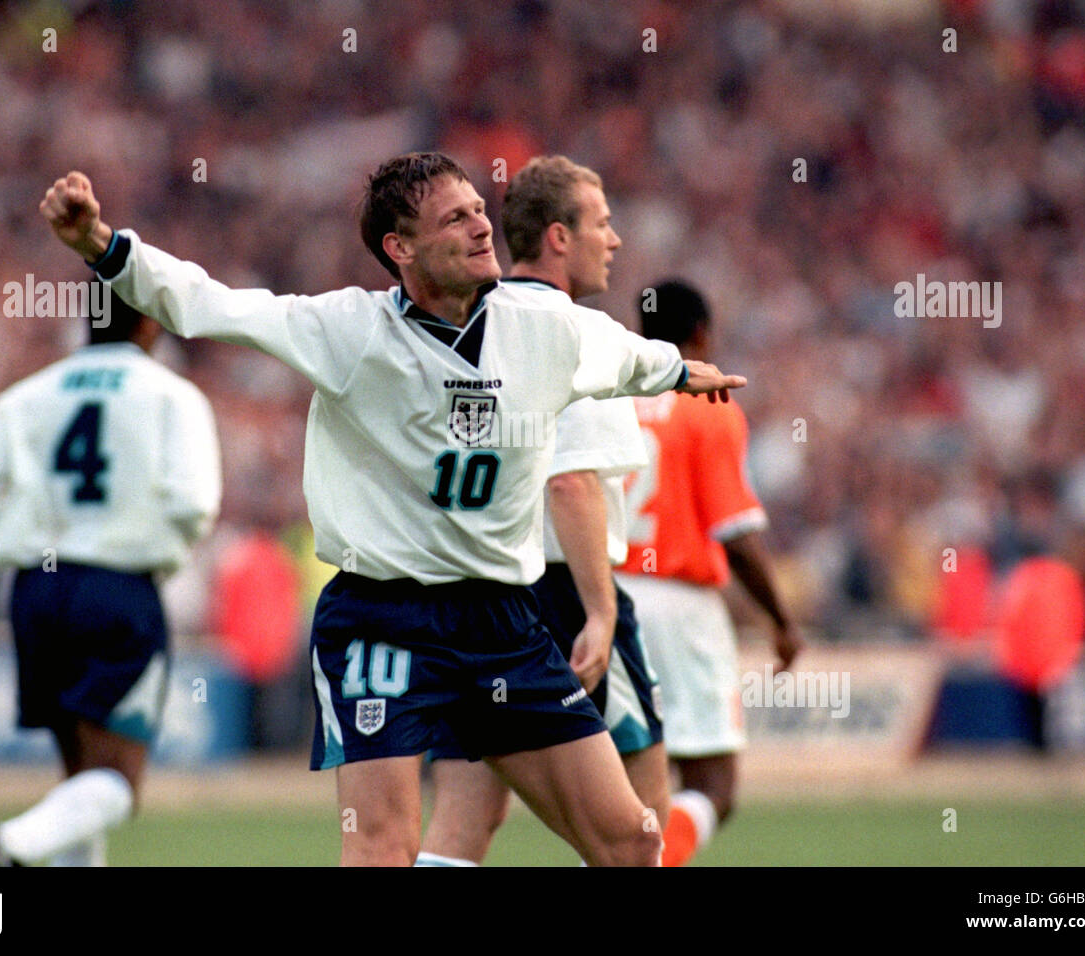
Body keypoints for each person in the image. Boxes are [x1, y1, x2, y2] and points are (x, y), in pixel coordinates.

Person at [39, 156, 745, 866]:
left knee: (630, 842)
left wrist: (680, 370)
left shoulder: (541, 322)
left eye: (477, 209)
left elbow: (622, 355)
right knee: (383, 847)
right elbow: (208, 303)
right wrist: (103, 246)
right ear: (399, 250)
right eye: (454, 218)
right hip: (384, 621)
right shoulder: (349, 331)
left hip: (505, 620)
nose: (480, 226)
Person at [418, 156, 670, 866]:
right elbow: (573, 481)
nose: (614, 239)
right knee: (643, 825)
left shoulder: (467, 324)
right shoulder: (568, 332)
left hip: (466, 597)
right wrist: (600, 610)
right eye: (602, 222)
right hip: (559, 589)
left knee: (464, 819)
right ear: (558, 237)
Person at [0, 284, 222, 866]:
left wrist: (18, 536)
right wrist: (146, 544)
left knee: (80, 780)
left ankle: (20, 845)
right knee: (117, 781)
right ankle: (6, 845)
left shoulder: (27, 395)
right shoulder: (172, 396)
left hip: (37, 589)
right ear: (150, 326)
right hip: (118, 588)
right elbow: (195, 503)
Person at [617, 280, 801, 867]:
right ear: (700, 334)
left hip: (607, 596)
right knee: (713, 786)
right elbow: (736, 535)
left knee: (622, 788)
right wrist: (781, 619)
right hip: (680, 605)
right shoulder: (708, 403)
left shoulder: (605, 397)